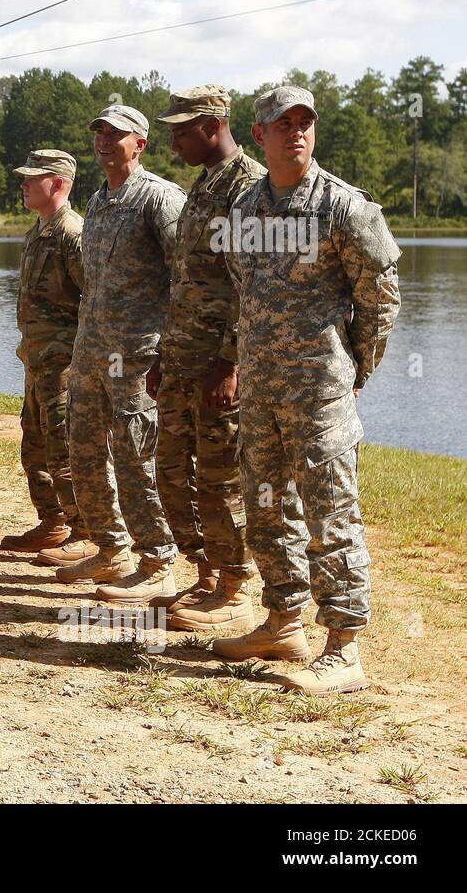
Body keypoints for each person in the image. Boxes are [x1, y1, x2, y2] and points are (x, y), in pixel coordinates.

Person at [213, 86, 400, 695]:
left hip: (320, 390)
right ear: (258, 133)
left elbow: (380, 295)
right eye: (282, 123)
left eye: (305, 122)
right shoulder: (243, 208)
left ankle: (344, 647)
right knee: (267, 508)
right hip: (261, 389)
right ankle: (282, 622)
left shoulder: (344, 207)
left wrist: (355, 371)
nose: (296, 132)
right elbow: (244, 290)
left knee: (330, 513)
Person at [53, 104, 185, 604]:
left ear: (141, 143)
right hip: (92, 351)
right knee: (83, 447)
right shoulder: (101, 202)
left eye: (117, 134)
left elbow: (186, 278)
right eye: (100, 133)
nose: (105, 141)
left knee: (135, 455)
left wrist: (171, 348)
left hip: (138, 354)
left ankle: (158, 560)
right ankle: (112, 548)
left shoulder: (160, 199)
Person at [150, 85, 265, 631]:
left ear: (215, 125)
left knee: (220, 478)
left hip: (218, 363)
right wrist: (161, 356)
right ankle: (206, 573)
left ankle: (236, 584)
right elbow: (187, 281)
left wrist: (231, 361)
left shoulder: (249, 188)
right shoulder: (202, 187)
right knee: (172, 470)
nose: (173, 140)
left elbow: (253, 285)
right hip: (180, 357)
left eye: (181, 130)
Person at [2, 150, 85, 560]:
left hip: (65, 364)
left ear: (58, 184)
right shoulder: (39, 232)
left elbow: (92, 301)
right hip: (37, 361)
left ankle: (83, 530)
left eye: (32, 178)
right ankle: (53, 522)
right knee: (35, 446)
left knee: (65, 446)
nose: (24, 184)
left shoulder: (73, 234)